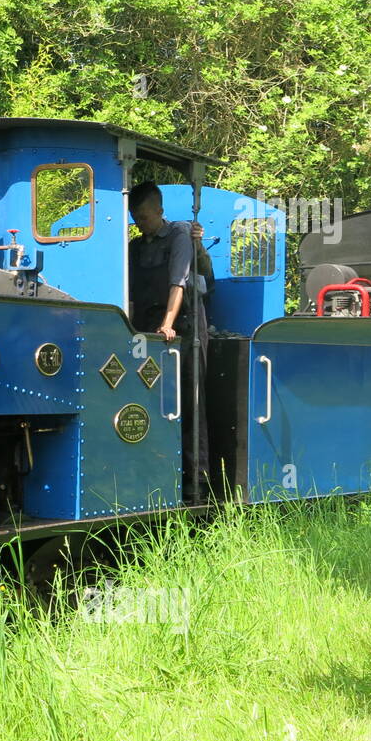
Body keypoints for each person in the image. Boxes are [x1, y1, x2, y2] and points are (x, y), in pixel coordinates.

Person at [127, 180, 210, 501]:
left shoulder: (180, 234)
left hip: (185, 327)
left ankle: (197, 480)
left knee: (190, 399)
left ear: (159, 210)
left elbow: (179, 280)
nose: (140, 223)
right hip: (149, 329)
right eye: (136, 218)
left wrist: (167, 324)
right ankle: (158, 475)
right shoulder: (135, 247)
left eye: (144, 217)